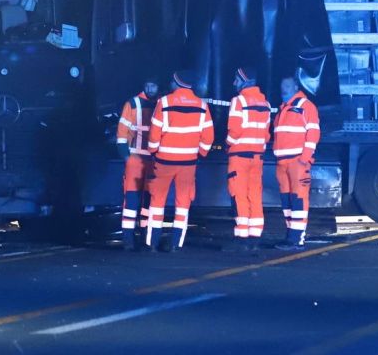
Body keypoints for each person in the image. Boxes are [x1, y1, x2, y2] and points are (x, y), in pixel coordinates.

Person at [144, 72, 214, 252]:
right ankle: (176, 244)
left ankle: (153, 243)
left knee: (157, 202)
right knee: (183, 205)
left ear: (176, 83)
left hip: (164, 162)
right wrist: (200, 153)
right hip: (188, 164)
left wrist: (153, 151)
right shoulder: (202, 105)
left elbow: (154, 133)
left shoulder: (164, 102)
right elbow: (208, 137)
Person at [225, 67, 272, 250]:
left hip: (239, 157)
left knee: (239, 195)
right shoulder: (265, 104)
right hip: (257, 157)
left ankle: (241, 238)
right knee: (255, 195)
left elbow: (235, 130)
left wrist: (227, 144)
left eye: (236, 80)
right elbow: (266, 135)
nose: (233, 83)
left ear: (244, 81)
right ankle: (255, 237)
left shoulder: (238, 101)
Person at [271, 74, 320, 249]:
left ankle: (296, 239)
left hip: (297, 162)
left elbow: (313, 133)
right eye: (282, 85)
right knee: (287, 201)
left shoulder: (306, 106)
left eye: (287, 85)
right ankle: (290, 235)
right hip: (282, 162)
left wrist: (304, 159)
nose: (283, 89)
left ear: (296, 87)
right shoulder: (283, 108)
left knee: (298, 200)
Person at [116, 78, 159, 250]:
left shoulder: (160, 103)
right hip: (135, 159)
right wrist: (126, 157)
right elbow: (122, 133)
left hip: (152, 160)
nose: (150, 88)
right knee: (132, 199)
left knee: (148, 200)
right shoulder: (132, 104)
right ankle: (128, 239)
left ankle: (144, 234)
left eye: (153, 85)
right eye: (148, 85)